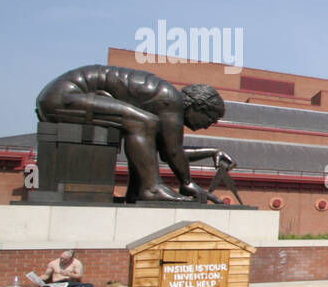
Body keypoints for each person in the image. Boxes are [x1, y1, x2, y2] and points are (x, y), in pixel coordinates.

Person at [35, 64, 229, 202]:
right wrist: (187, 182)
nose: (206, 127)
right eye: (209, 120)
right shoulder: (171, 100)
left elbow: (167, 151)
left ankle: (136, 192)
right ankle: (151, 189)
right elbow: (173, 153)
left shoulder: (165, 98)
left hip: (58, 98)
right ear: (199, 106)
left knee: (145, 131)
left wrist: (212, 152)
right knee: (143, 123)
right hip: (63, 97)